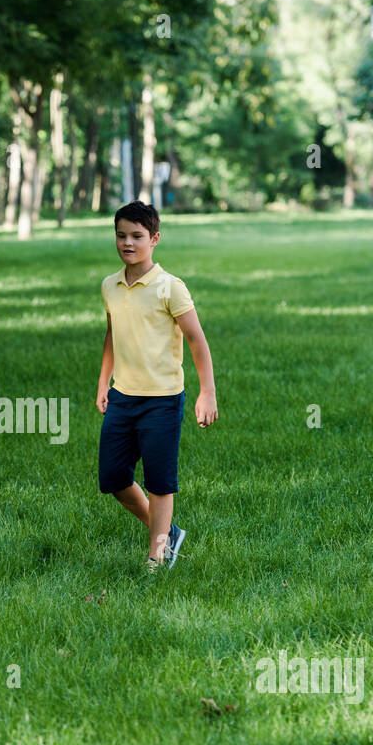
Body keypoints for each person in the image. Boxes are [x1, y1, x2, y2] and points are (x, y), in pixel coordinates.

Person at [95, 201, 218, 572]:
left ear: (155, 239)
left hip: (162, 400)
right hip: (122, 397)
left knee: (160, 481)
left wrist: (207, 391)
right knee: (113, 478)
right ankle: (167, 532)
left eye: (137, 236)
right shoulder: (110, 286)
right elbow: (112, 334)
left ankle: (158, 554)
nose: (127, 243)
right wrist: (104, 381)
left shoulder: (170, 288)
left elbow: (197, 340)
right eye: (121, 235)